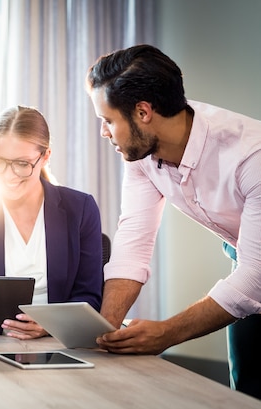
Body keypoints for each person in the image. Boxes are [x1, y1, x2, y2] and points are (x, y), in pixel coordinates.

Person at [85, 44, 261, 399]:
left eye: (108, 120)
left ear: (143, 112)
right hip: (248, 259)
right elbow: (132, 246)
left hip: (253, 269)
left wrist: (167, 333)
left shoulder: (250, 157)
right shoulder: (141, 154)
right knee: (247, 392)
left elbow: (253, 280)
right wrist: (102, 336)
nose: (104, 132)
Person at [0, 106, 103, 338]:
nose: (9, 175)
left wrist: (51, 325)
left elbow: (90, 297)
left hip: (60, 343)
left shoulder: (80, 209)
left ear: (45, 157)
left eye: (22, 164)